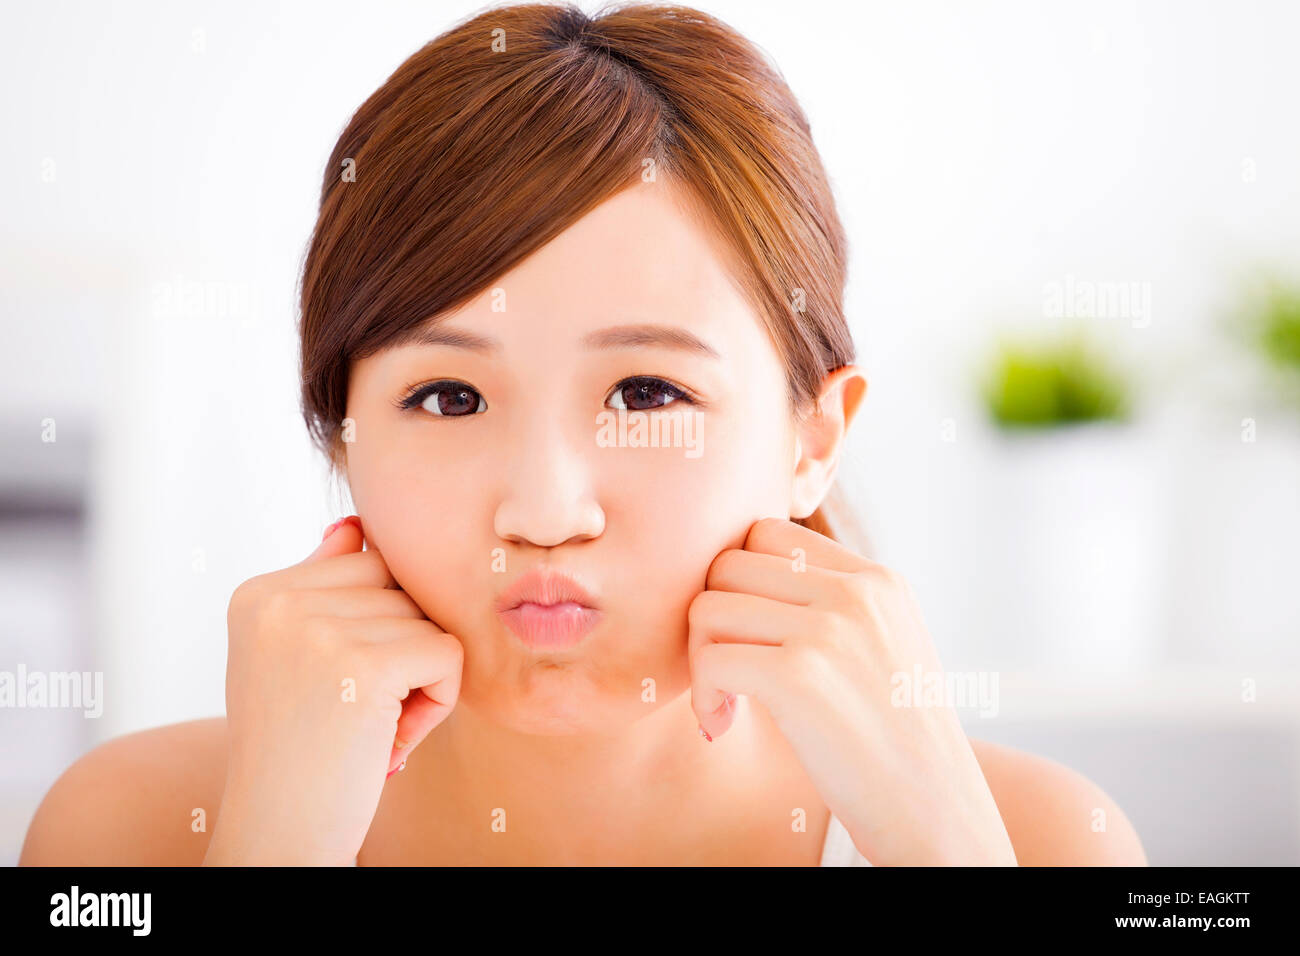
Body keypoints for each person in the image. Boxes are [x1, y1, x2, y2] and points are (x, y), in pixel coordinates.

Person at [21, 2, 1146, 866]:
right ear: (342, 431)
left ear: (814, 434)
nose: (546, 510)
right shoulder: (132, 832)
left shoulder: (1043, 840)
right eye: (448, 397)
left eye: (648, 392)